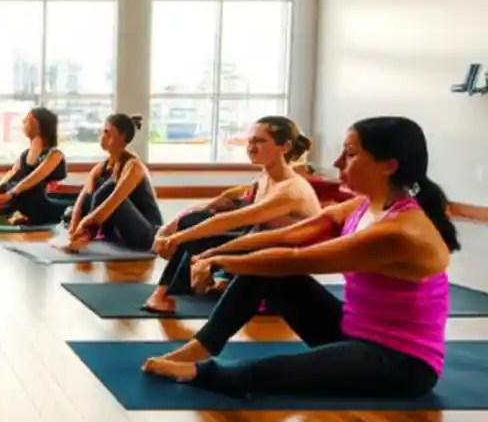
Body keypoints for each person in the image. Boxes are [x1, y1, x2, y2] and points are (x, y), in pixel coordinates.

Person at [143, 117, 458, 400]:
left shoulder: (401, 232)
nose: (336, 162)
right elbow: (287, 236)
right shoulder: (363, 206)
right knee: (261, 264)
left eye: (350, 154)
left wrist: (220, 263)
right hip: (349, 329)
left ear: (389, 165)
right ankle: (199, 349)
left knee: (281, 370)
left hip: (400, 362)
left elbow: (295, 259)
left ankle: (206, 372)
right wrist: (214, 252)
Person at [142, 116, 322, 314]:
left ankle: (168, 292)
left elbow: (233, 220)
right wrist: (171, 230)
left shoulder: (290, 189)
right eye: (250, 141)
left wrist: (175, 238)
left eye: (260, 141)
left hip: (287, 258)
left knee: (197, 234)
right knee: (194, 222)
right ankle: (192, 285)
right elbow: (226, 207)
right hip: (260, 243)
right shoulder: (264, 177)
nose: (251, 147)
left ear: (285, 147)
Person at [62, 113, 162, 252]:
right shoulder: (100, 168)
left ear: (122, 137)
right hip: (119, 235)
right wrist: (73, 231)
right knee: (89, 195)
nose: (102, 136)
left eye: (107, 133)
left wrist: (86, 229)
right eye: (103, 132)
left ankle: (86, 237)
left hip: (146, 235)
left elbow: (114, 200)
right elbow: (82, 200)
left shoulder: (134, 166)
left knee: (108, 189)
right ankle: (82, 236)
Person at [0, 106, 70, 225]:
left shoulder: (54, 154)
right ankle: (13, 212)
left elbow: (34, 177)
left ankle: (19, 214)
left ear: (40, 126)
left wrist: (10, 194)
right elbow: (11, 173)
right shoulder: (24, 154)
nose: (23, 122)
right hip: (26, 197)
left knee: (25, 191)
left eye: (28, 120)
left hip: (45, 201)